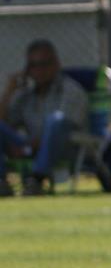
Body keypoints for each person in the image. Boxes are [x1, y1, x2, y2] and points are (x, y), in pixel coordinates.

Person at [0, 39, 89, 196]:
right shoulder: (25, 96)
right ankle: (2, 182)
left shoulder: (70, 90)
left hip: (64, 148)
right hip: (29, 147)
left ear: (56, 64)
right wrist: (9, 91)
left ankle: (37, 180)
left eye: (44, 64)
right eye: (33, 65)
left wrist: (30, 146)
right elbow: (4, 122)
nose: (39, 70)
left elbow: (64, 128)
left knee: (56, 120)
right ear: (27, 69)